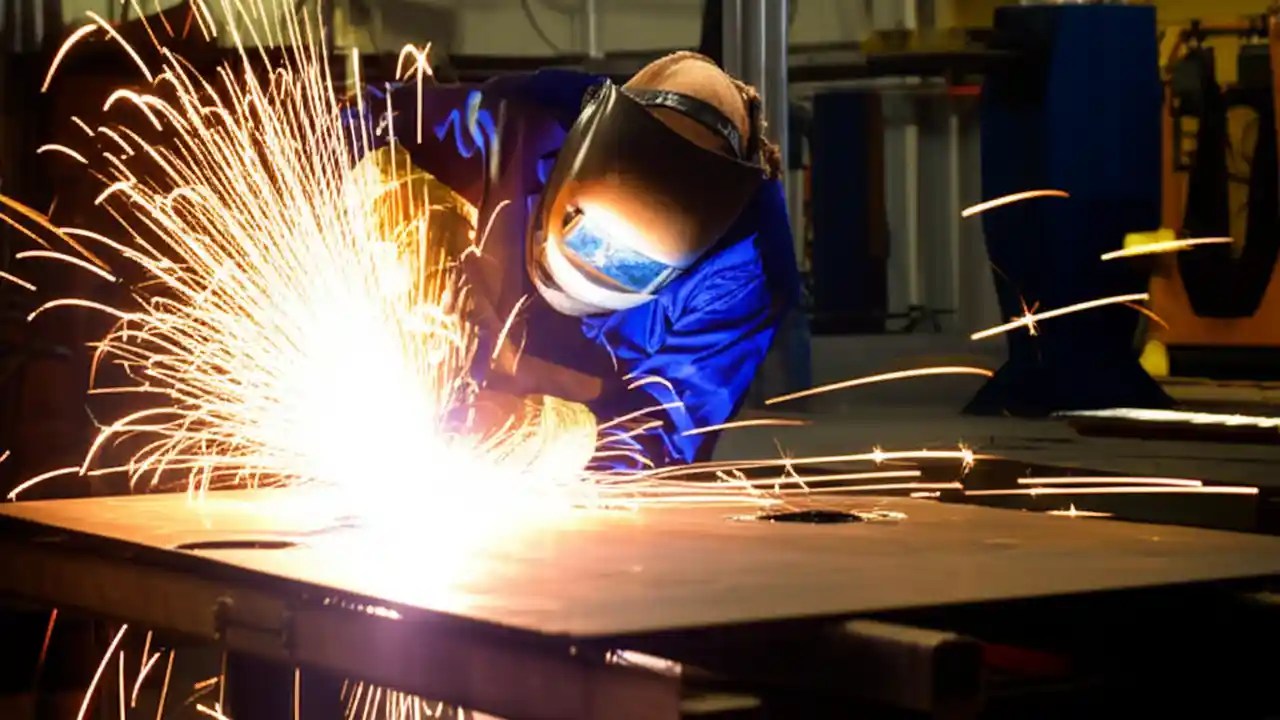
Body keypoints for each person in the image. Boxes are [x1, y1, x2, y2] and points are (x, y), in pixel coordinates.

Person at [344, 52, 799, 469]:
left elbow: (666, 433)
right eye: (588, 239)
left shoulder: (747, 267)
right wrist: (401, 201)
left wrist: (538, 435)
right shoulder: (529, 118)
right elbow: (350, 125)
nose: (598, 263)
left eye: (629, 267)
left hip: (568, 415)